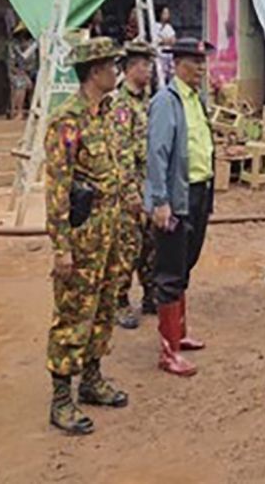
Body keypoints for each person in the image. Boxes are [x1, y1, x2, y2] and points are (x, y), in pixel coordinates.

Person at [44, 37, 127, 435]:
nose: (117, 72)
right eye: (113, 65)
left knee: (104, 307)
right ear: (95, 71)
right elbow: (57, 189)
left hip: (110, 232)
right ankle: (61, 399)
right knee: (73, 314)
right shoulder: (68, 120)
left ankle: (92, 379)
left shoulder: (105, 114)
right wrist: (61, 248)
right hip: (81, 236)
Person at [146, 38, 217, 376]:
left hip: (199, 193)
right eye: (195, 63)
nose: (201, 69)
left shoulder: (196, 101)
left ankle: (180, 334)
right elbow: (157, 154)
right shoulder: (166, 102)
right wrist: (160, 201)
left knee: (186, 263)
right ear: (177, 65)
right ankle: (167, 351)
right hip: (177, 198)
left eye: (203, 63)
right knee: (170, 271)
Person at [111, 41, 155, 331]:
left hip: (148, 184)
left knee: (151, 245)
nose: (148, 70)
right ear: (129, 69)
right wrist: (130, 193)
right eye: (143, 65)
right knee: (128, 246)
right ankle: (120, 301)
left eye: (149, 64)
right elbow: (122, 152)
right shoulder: (121, 104)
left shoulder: (147, 101)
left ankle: (151, 295)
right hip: (130, 189)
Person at [6, 23, 38, 121]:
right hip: (17, 72)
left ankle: (35, 110)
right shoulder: (13, 45)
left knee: (39, 83)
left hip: (32, 71)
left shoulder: (34, 44)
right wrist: (23, 75)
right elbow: (12, 64)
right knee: (22, 84)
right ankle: (18, 111)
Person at [151, 5, 176, 83]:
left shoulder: (169, 27)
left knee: (172, 75)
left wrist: (165, 41)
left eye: (168, 13)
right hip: (159, 55)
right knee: (160, 76)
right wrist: (166, 40)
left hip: (169, 56)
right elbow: (157, 41)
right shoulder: (154, 26)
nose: (167, 15)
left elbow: (173, 41)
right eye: (165, 13)